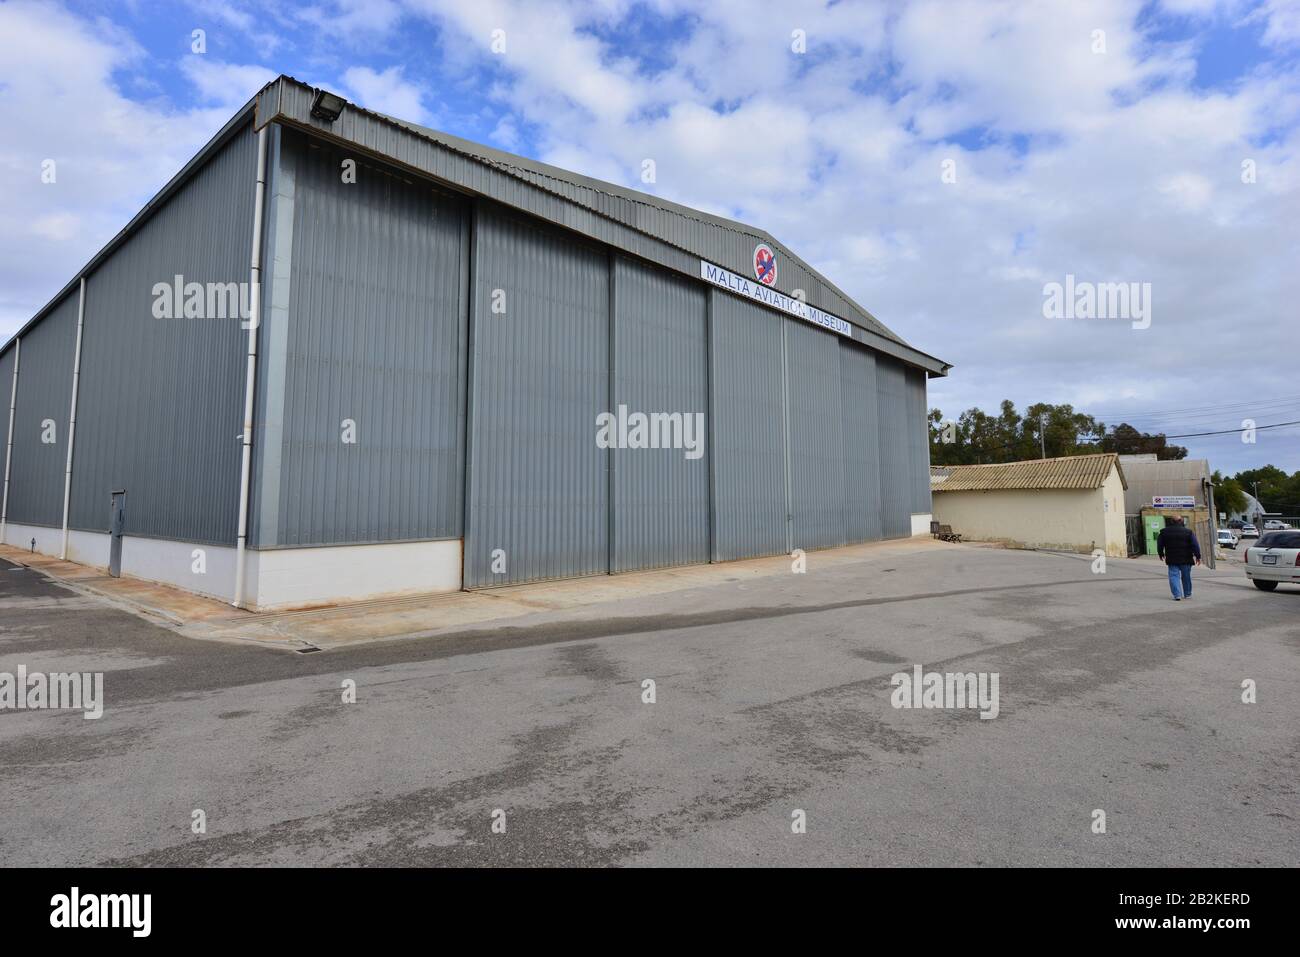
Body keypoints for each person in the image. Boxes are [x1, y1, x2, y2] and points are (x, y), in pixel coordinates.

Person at [1156, 516, 1201, 601]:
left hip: (1172, 558)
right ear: (1181, 521)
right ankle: (1187, 594)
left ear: (1171, 521)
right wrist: (1198, 556)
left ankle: (1177, 595)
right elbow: (1195, 545)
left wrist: (1161, 553)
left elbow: (1159, 544)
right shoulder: (1188, 532)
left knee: (1173, 576)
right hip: (1186, 559)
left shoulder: (1164, 532)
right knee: (1186, 576)